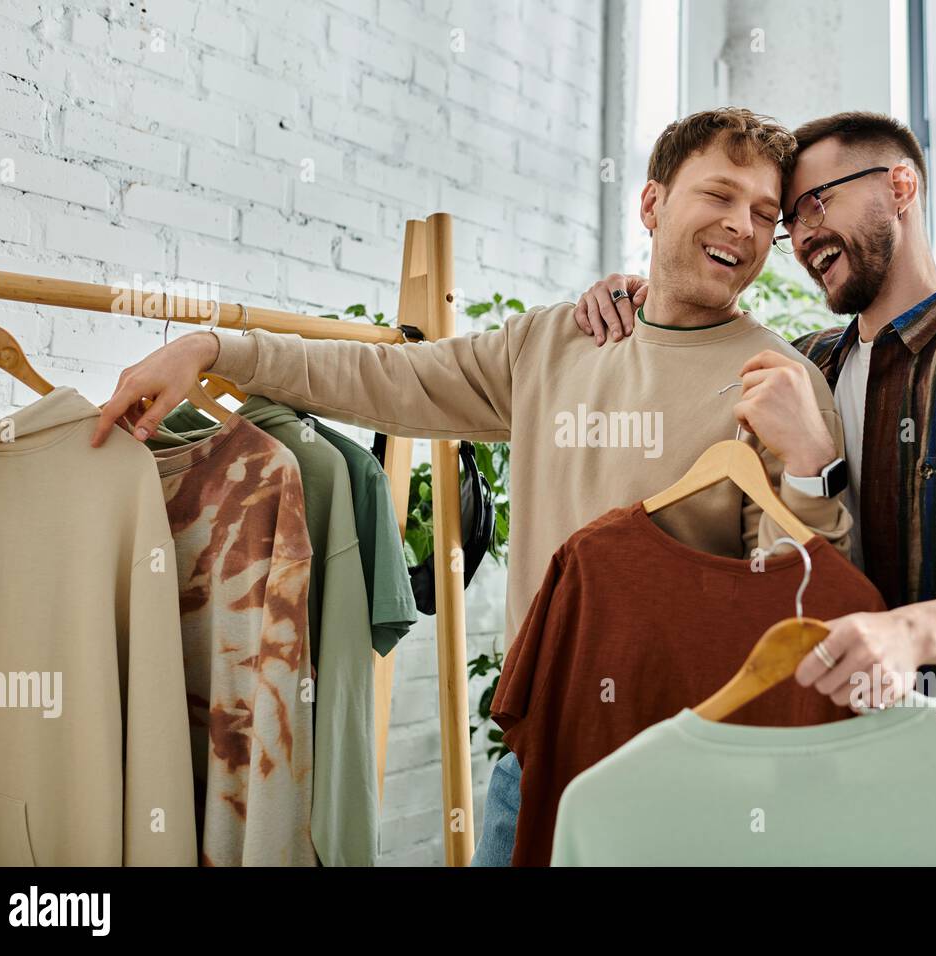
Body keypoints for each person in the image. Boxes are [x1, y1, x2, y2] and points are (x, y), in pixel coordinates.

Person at [90, 108, 864, 865]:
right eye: (720, 195)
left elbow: (806, 596)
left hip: (683, 787)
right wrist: (212, 346)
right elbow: (385, 377)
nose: (744, 226)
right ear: (653, 202)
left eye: (766, 214)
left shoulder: (778, 382)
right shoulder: (557, 341)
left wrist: (812, 465)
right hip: (530, 768)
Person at [576, 111, 936, 730]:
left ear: (900, 188)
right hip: (793, 748)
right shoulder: (802, 361)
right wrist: (632, 298)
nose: (802, 238)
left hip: (935, 762)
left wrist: (908, 634)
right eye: (791, 222)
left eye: (817, 205)